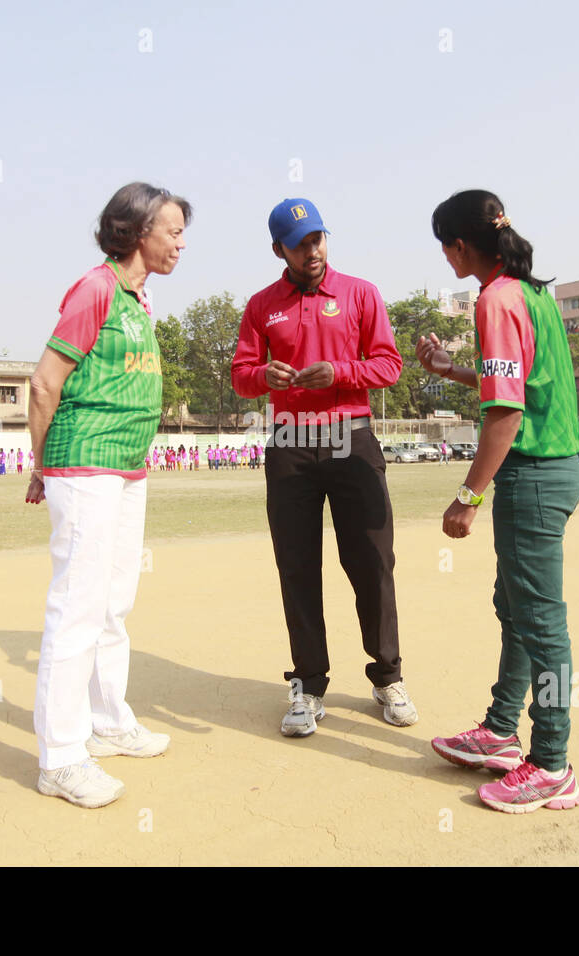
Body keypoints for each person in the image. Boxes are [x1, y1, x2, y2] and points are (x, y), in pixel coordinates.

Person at [419, 190, 579, 814]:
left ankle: (551, 765)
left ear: (460, 245)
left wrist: (467, 496)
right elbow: (516, 381)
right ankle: (499, 731)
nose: (443, 255)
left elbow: (507, 413)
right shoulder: (531, 292)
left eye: (443, 244)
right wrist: (449, 370)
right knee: (515, 607)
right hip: (553, 472)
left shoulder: (495, 298)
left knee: (540, 622)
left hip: (534, 476)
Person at [25, 182, 190, 809]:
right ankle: (61, 757)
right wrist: (42, 465)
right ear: (135, 230)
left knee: (115, 602)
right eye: (172, 230)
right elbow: (44, 382)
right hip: (85, 463)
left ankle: (108, 721)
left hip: (127, 468)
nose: (181, 242)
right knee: (78, 606)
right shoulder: (95, 289)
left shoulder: (138, 300)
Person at [231, 197, 414, 738]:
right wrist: (267, 375)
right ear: (278, 250)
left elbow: (389, 365)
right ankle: (308, 686)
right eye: (299, 244)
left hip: (350, 437)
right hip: (289, 443)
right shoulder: (263, 305)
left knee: (372, 561)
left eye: (317, 239)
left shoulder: (361, 293)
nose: (312, 251)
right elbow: (241, 375)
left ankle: (388, 677)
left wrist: (336, 372)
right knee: (297, 567)